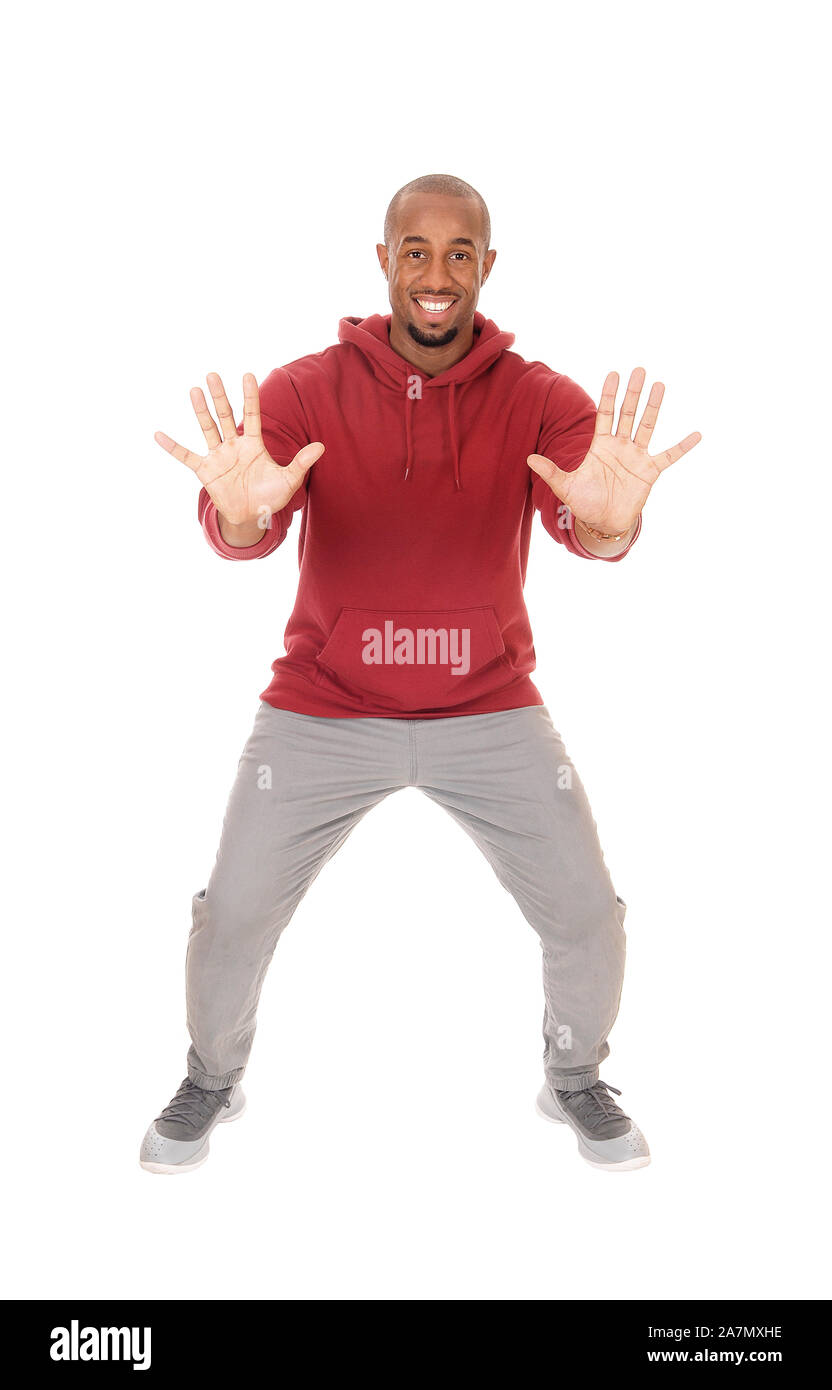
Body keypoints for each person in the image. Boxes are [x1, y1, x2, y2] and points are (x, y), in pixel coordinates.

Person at [141, 173, 701, 1176]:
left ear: (486, 268)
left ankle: (573, 1075)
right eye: (415, 251)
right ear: (383, 262)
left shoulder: (539, 398)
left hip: (487, 703)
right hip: (323, 704)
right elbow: (244, 527)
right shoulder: (307, 389)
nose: (435, 275)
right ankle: (212, 1076)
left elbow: (586, 521)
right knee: (230, 912)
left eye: (458, 254)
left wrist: (611, 527)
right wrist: (239, 515)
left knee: (586, 914)